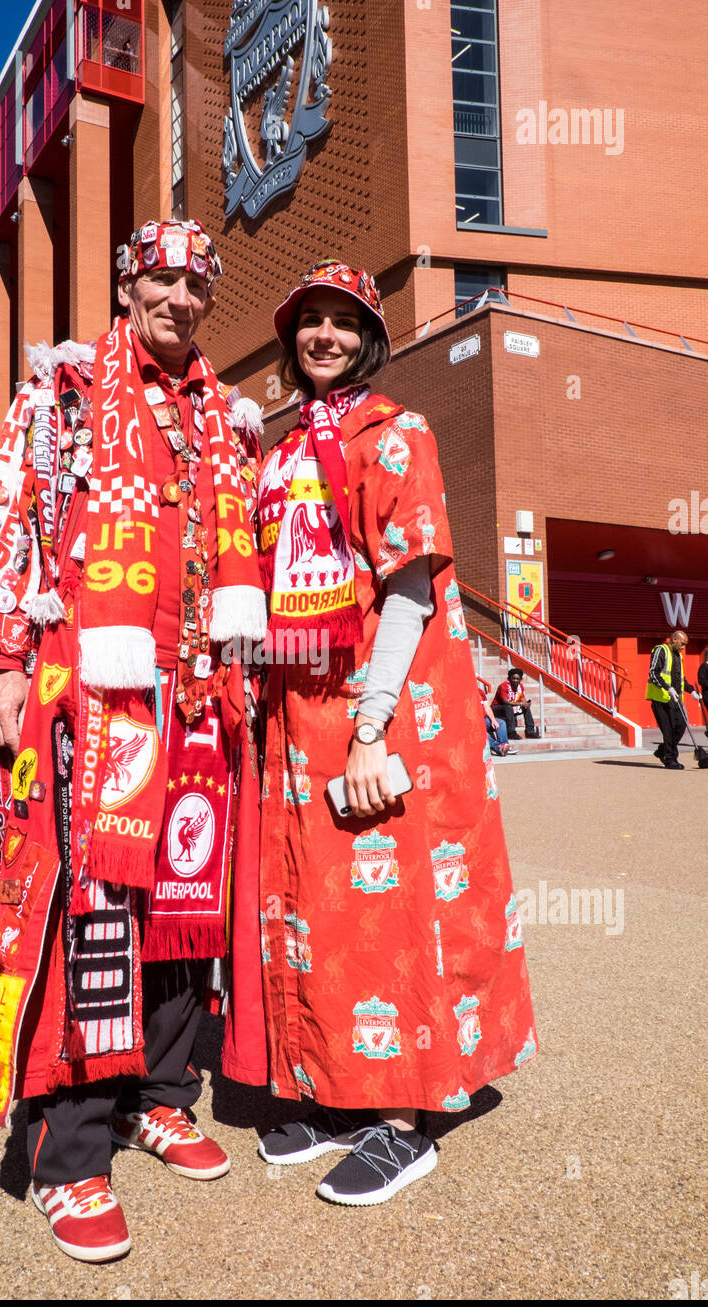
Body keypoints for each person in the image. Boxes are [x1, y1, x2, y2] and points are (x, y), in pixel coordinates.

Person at [0, 218, 267, 1262]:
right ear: (128, 285)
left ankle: (157, 1091)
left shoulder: (224, 420)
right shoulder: (68, 388)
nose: (178, 299)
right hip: (89, 688)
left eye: (194, 287)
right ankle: (68, 1147)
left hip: (195, 698)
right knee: (89, 903)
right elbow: (5, 515)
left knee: (184, 899)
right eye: (161, 281)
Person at [245, 260, 537, 1206]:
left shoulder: (397, 430)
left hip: (383, 703)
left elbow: (408, 591)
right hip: (300, 716)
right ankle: (340, 1087)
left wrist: (371, 728)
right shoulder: (288, 449)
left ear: (367, 335)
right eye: (308, 322)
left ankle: (408, 1119)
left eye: (341, 321)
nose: (322, 335)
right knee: (320, 906)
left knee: (399, 901)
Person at [646, 629, 702, 769]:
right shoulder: (661, 650)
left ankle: (662, 750)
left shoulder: (678, 656)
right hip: (661, 698)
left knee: (681, 726)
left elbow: (680, 679)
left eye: (685, 644)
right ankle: (670, 759)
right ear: (674, 639)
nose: (683, 647)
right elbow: (653, 672)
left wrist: (692, 691)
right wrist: (667, 687)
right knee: (669, 729)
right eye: (682, 643)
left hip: (676, 699)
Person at [479, 679, 512, 756]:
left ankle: (504, 745)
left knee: (500, 722)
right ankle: (498, 747)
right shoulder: (463, 693)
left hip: (484, 720)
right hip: (473, 722)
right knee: (481, 732)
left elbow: (487, 707)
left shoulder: (480, 692)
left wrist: (493, 720)